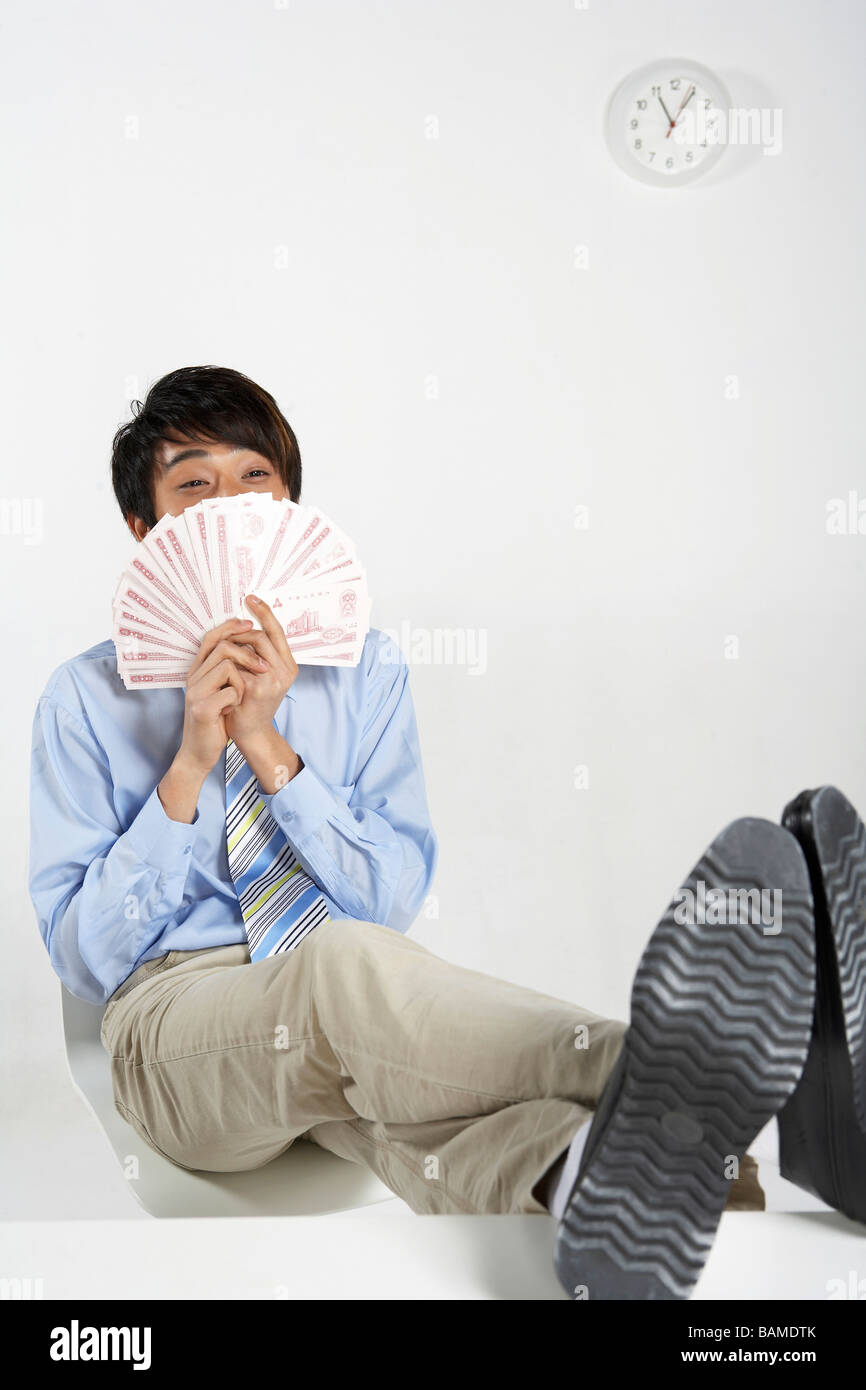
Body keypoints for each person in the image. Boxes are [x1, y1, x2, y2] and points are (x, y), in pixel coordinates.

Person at [28, 365, 866, 1300]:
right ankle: (676, 1072)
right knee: (345, 970)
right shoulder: (84, 699)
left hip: (349, 1020)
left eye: (254, 479)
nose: (231, 508)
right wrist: (189, 763)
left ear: (294, 507)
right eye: (193, 485)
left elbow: (388, 897)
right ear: (147, 534)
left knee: (407, 1110)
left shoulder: (364, 672)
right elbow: (84, 961)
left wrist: (267, 745)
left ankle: (610, 1178)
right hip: (176, 1035)